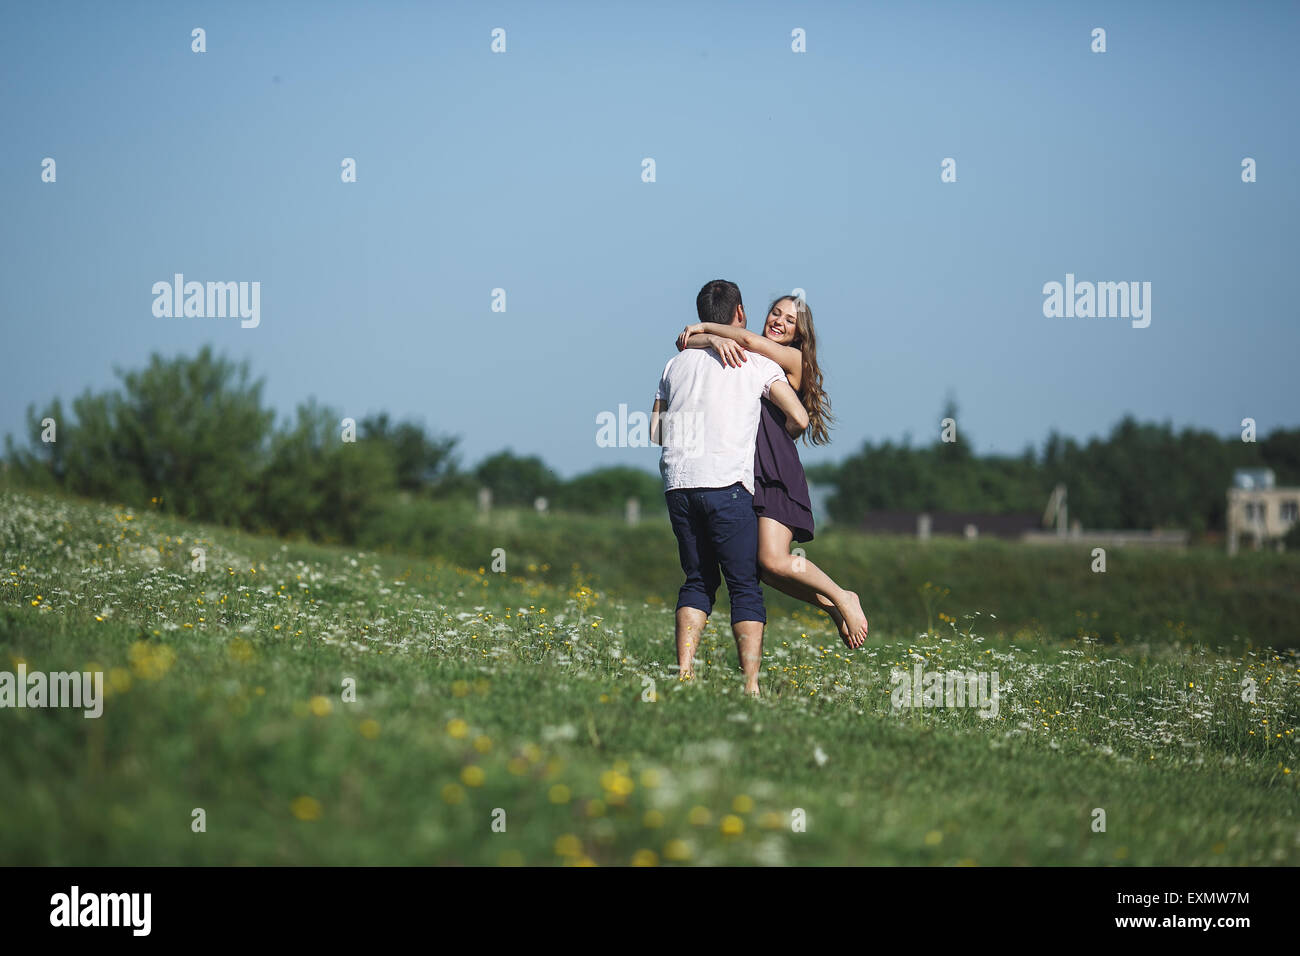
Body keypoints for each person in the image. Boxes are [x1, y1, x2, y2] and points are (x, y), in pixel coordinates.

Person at [676, 294, 869, 649]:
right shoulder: (752, 354)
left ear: (801, 334)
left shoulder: (791, 359)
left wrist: (702, 327)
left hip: (774, 471)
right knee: (762, 568)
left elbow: (740, 339)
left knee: (773, 559)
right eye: (775, 313)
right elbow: (691, 344)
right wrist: (711, 337)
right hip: (747, 472)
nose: (778, 321)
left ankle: (843, 596)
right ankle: (830, 604)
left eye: (789, 320)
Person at [651, 280, 809, 696]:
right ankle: (751, 685)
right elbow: (799, 418)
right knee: (744, 586)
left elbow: (655, 431)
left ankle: (684, 673)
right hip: (728, 485)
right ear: (740, 313)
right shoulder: (757, 364)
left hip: (678, 484)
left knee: (697, 580)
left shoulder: (674, 364)